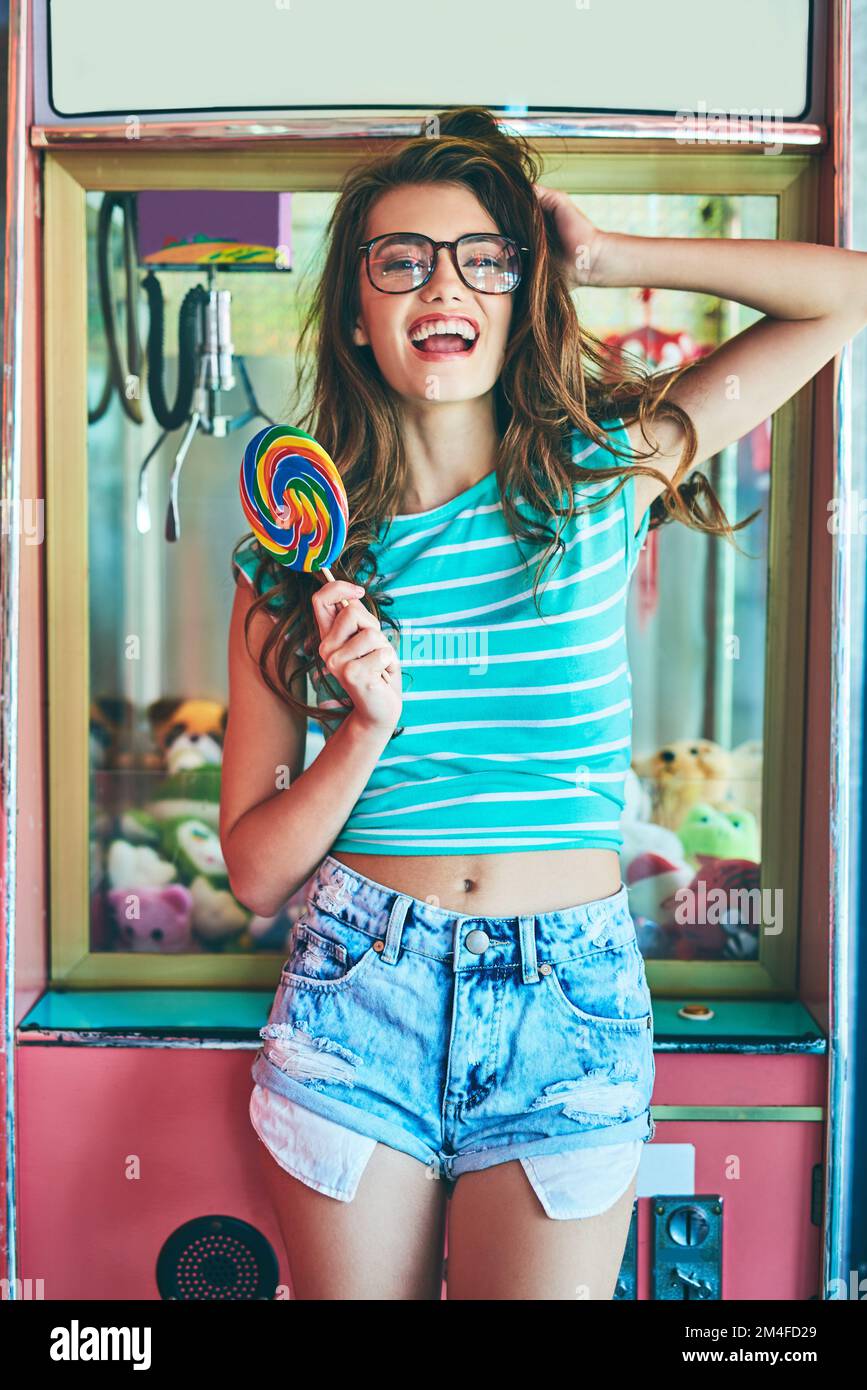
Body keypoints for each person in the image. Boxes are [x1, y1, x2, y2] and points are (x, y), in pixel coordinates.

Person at [220, 107, 867, 1300]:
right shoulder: (295, 570)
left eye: (482, 258)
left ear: (521, 297)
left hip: (569, 996)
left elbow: (846, 295)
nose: (441, 284)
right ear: (359, 315)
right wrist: (362, 729)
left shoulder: (605, 478)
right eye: (401, 259)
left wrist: (607, 253)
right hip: (361, 987)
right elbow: (255, 873)